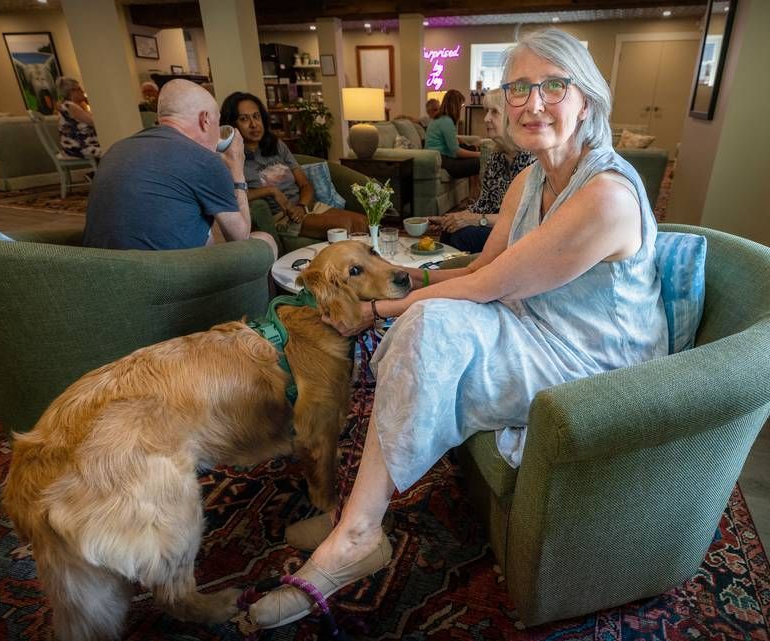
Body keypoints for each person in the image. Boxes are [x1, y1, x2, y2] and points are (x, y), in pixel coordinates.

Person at [247, 28, 668, 628]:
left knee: (429, 325)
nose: (532, 102)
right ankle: (358, 523)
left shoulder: (605, 195)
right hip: (534, 326)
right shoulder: (530, 179)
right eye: (518, 87)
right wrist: (406, 279)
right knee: (427, 319)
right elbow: (477, 268)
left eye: (553, 86)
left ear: (587, 100)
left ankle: (356, 533)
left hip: (594, 362)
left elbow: (489, 286)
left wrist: (376, 310)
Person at [82, 79, 274, 254]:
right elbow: (239, 237)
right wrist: (237, 168)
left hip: (99, 272)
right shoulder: (205, 160)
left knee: (203, 233)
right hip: (166, 276)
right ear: (205, 120)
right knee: (264, 241)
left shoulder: (116, 148)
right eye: (218, 122)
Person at [220, 91, 366, 239]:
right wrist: (270, 191)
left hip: (306, 207)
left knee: (363, 223)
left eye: (256, 116)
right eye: (244, 119)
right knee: (348, 227)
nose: (253, 124)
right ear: (232, 125)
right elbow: (232, 195)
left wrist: (302, 207)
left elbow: (305, 184)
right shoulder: (230, 157)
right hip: (282, 216)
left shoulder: (277, 145)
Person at [428, 88, 535, 253]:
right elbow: (484, 203)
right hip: (495, 223)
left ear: (511, 118)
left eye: (494, 112)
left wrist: (475, 220)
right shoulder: (496, 157)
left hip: (519, 232)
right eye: (486, 111)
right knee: (449, 229)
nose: (486, 118)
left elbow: (522, 218)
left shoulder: (531, 160)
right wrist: (452, 218)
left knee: (462, 236)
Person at [424, 89, 481, 179]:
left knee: (475, 155)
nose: (461, 108)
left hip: (439, 158)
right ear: (455, 106)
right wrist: (479, 155)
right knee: (482, 161)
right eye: (461, 105)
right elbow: (456, 151)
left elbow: (452, 145)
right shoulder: (446, 121)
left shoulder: (439, 119)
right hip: (443, 161)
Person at [56, 77, 101, 159]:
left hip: (83, 144)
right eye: (79, 89)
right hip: (78, 147)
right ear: (72, 91)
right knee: (112, 150)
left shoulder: (72, 105)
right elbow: (93, 122)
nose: (83, 92)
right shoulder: (70, 106)